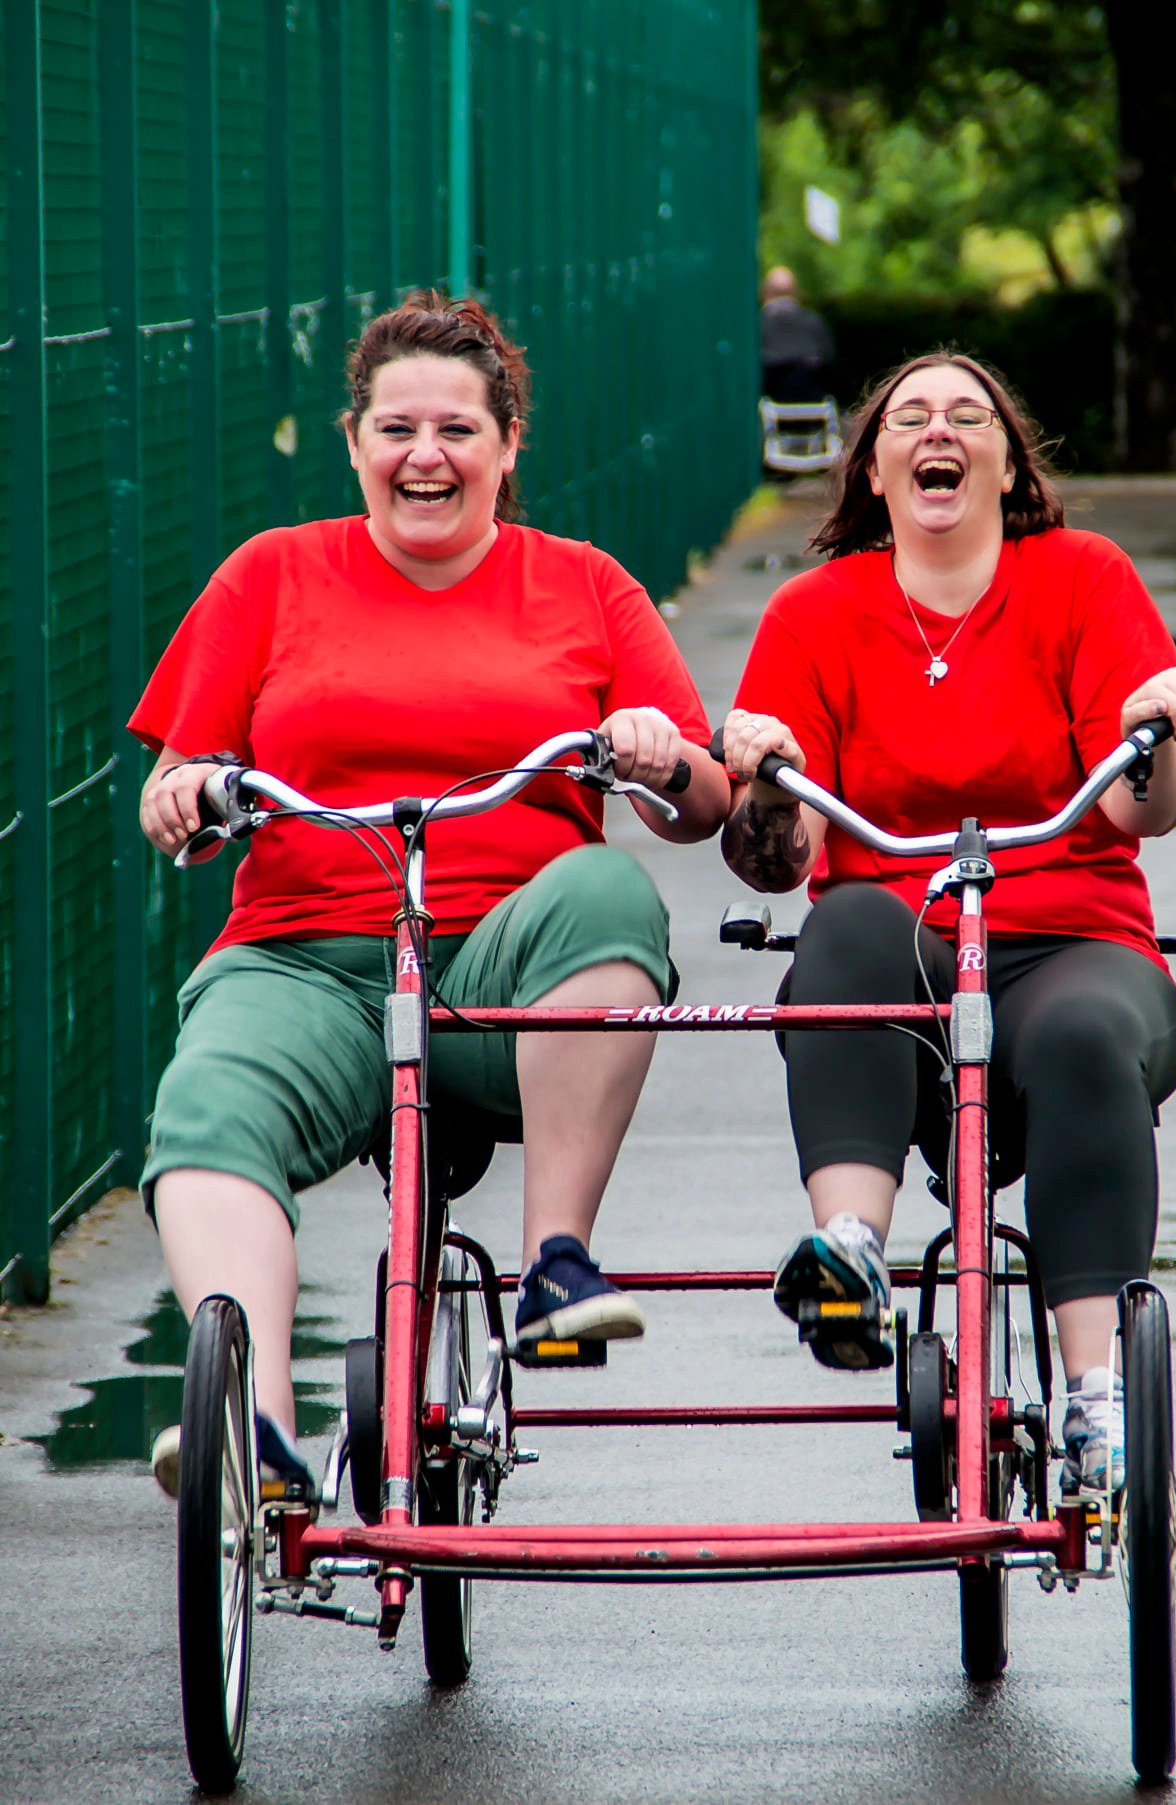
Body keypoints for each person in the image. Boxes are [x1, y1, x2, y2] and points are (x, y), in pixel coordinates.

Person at [132, 290, 730, 1496]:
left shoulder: (584, 584)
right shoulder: (271, 574)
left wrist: (659, 755)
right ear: (353, 441)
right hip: (310, 956)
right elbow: (178, 773)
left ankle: (555, 1264)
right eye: (397, 428)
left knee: (608, 891)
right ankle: (248, 1426)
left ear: (507, 447)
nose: (426, 455)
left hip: (501, 974)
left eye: (457, 429)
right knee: (204, 1110)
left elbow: (705, 795)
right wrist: (185, 792)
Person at [719, 350, 1176, 1494]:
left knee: (1084, 1032)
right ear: (876, 471)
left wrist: (1157, 733)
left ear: (1003, 465)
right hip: (901, 935)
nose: (935, 430)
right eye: (907, 418)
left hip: (1070, 929)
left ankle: (1093, 1394)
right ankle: (848, 1249)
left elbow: (1150, 805)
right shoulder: (815, 612)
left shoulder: (1079, 579)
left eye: (965, 415)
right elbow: (771, 857)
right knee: (840, 924)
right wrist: (760, 782)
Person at [759, 266, 836, 405]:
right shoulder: (814, 321)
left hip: (772, 402)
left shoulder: (758, 324)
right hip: (813, 401)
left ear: (765, 293)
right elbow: (829, 359)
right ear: (796, 292)